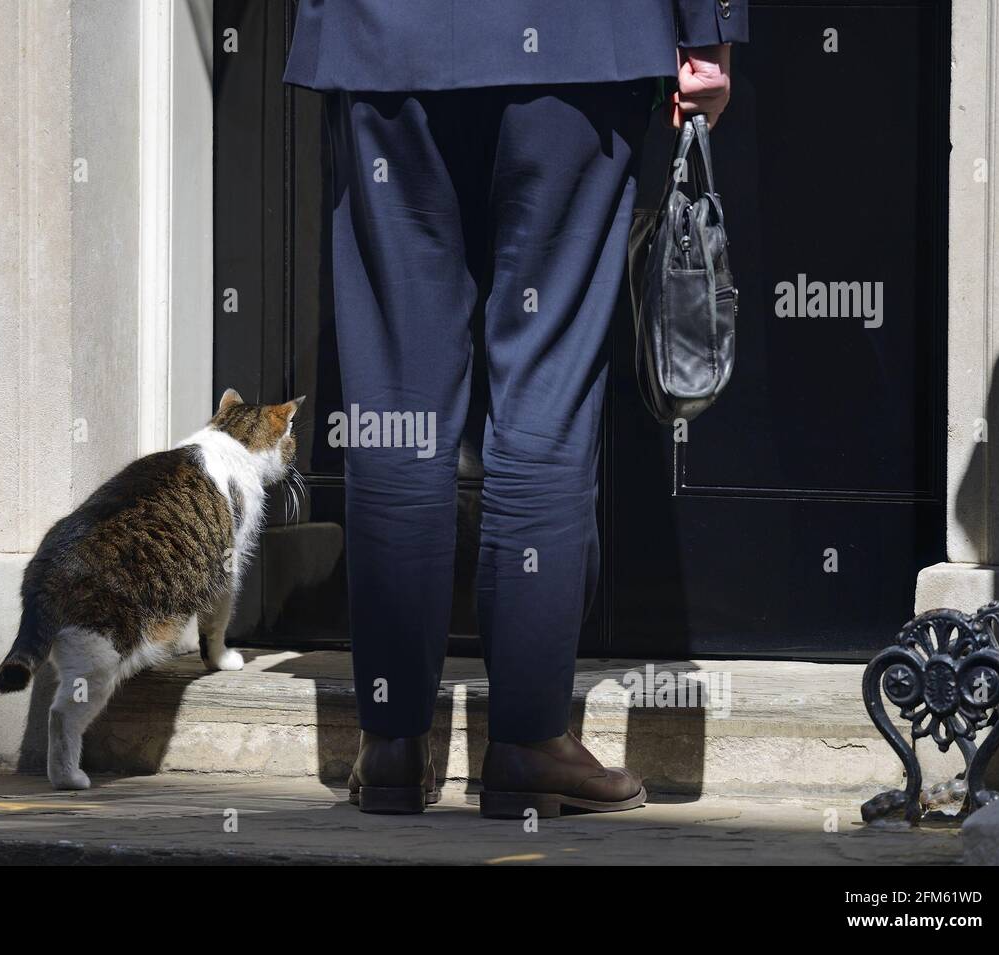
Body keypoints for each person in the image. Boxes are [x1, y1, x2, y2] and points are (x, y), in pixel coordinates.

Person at [284, 0, 747, 817]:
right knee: (547, 393)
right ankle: (529, 742)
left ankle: (393, 741)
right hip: (579, 44)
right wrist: (707, 29)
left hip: (386, 40)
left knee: (397, 401)